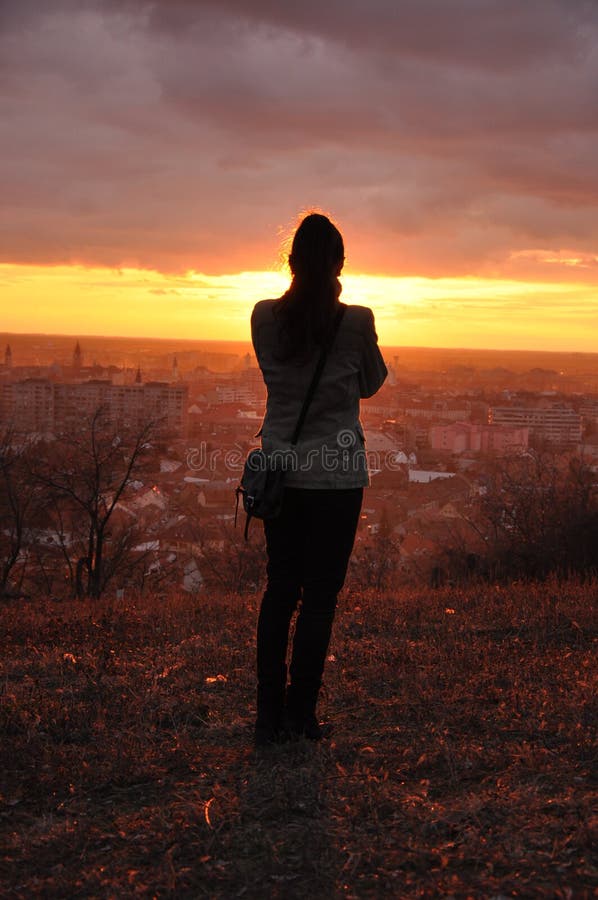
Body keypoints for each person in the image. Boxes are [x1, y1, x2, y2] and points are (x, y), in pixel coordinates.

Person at [250, 212, 387, 745]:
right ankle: (301, 716)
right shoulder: (356, 321)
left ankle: (268, 716)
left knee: (280, 588)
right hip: (337, 479)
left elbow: (275, 371)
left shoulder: (263, 317)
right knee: (320, 597)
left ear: (290, 262)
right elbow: (371, 384)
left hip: (280, 473)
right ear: (339, 264)